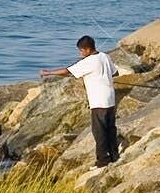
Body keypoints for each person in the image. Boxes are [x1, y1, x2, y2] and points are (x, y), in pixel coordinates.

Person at [40, 35, 119, 166]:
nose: (80, 53)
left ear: (87, 49)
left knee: (99, 132)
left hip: (98, 101)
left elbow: (67, 71)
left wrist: (48, 73)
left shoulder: (88, 62)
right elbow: (115, 73)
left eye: (81, 50)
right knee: (110, 129)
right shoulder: (104, 56)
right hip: (110, 98)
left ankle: (102, 161)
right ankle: (114, 156)